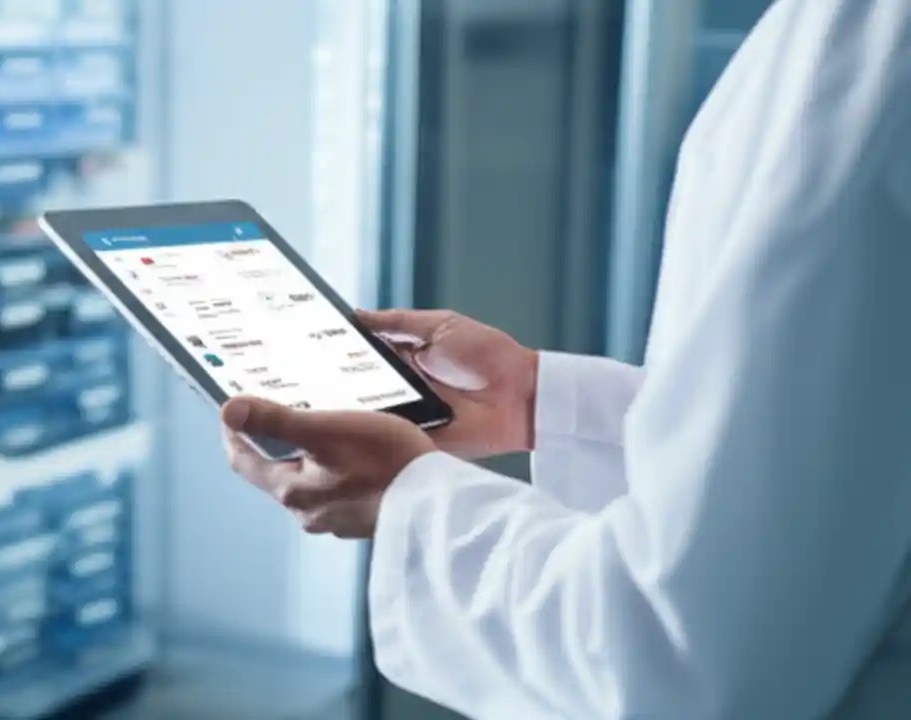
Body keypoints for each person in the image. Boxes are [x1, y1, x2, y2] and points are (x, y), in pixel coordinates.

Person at [220, 2, 911, 718]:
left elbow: (682, 663)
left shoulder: (874, 54)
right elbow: (852, 440)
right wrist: (541, 401)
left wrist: (405, 500)